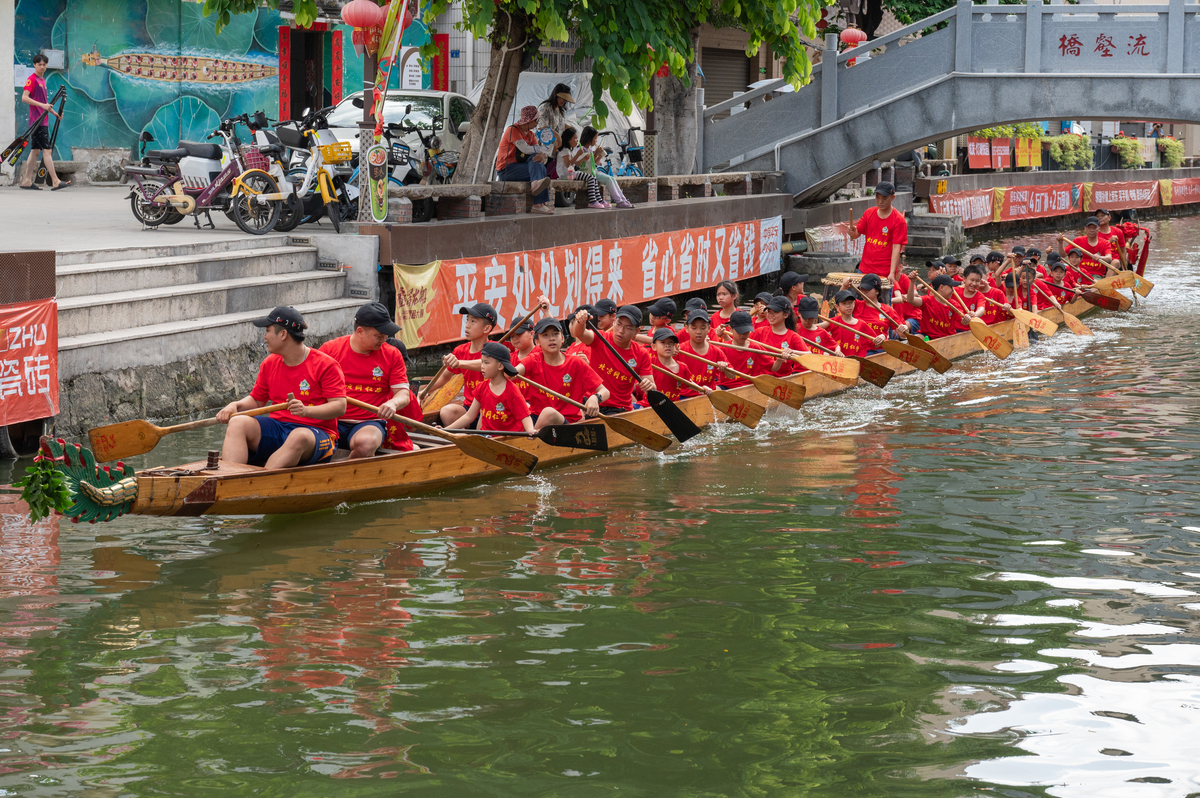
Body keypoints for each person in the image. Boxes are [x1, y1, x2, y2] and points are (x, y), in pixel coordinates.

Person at [217, 306, 347, 468]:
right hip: (279, 427)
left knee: (298, 436)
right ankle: (230, 477)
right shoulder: (269, 363)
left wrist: (306, 411)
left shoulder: (326, 365)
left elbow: (340, 406)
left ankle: (263, 478)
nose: (264, 336)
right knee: (237, 422)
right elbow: (257, 401)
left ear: (283, 334)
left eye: (268, 331)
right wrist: (235, 406)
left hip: (317, 433)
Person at [318, 302, 411, 459]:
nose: (384, 339)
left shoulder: (392, 355)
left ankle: (346, 472)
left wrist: (393, 403)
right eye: (379, 336)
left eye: (385, 335)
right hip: (330, 419)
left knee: (366, 444)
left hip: (369, 422)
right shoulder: (329, 350)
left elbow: (403, 394)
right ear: (360, 331)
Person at [516, 318, 609, 428]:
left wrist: (595, 398)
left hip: (568, 421)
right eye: (545, 335)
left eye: (555, 334)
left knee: (549, 413)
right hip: (537, 418)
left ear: (562, 339)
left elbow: (605, 391)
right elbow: (511, 373)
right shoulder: (533, 360)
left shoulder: (576, 362)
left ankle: (530, 438)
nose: (551, 338)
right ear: (537, 342)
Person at [569, 304, 655, 413]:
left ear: (637, 331)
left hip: (618, 408)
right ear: (614, 321)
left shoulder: (641, 353)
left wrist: (649, 386)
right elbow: (579, 333)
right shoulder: (600, 338)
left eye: (628, 328)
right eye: (618, 324)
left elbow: (652, 389)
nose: (621, 331)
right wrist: (580, 322)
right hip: (591, 400)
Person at [426, 302, 500, 427]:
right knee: (447, 412)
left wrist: (460, 363)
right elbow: (444, 376)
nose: (467, 325)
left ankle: (469, 434)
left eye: (473, 321)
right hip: (469, 409)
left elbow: (486, 364)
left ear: (487, 329)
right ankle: (462, 434)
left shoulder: (497, 349)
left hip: (492, 410)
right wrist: (425, 392)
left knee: (484, 414)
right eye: (467, 320)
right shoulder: (460, 351)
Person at [445, 342, 536, 434]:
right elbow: (469, 416)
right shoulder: (481, 387)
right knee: (460, 435)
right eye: (482, 362)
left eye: (486, 363)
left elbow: (525, 416)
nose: (482, 366)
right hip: (486, 436)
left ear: (500, 366)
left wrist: (530, 430)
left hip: (506, 438)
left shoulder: (512, 390)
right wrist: (445, 430)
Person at [19, 54, 69, 191]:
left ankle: (26, 181)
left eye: (44, 64)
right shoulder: (32, 79)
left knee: (35, 151)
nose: (42, 67)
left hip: (42, 120)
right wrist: (42, 105)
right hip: (38, 122)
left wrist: (55, 113)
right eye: (39, 64)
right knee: (47, 150)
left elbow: (44, 103)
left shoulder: (42, 80)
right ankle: (55, 181)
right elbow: (24, 98)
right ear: (34, 65)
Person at [495, 105, 553, 215]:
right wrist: (544, 150)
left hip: (521, 168)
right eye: (536, 120)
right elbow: (525, 149)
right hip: (506, 170)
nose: (537, 123)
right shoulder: (512, 130)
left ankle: (536, 186)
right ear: (529, 120)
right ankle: (538, 204)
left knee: (539, 163)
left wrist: (543, 156)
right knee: (541, 169)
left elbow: (538, 154)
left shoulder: (530, 134)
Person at [848, 181, 907, 284]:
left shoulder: (899, 220)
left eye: (884, 198)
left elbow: (896, 248)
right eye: (877, 197)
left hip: (884, 273)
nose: (880, 201)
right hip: (865, 269)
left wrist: (892, 273)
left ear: (892, 198)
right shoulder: (869, 213)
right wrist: (851, 231)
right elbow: (857, 233)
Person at [749, 296, 808, 376]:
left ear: (785, 315)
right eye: (769, 312)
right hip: (762, 377)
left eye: (775, 312)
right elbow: (744, 345)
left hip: (784, 378)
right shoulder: (759, 332)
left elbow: (809, 355)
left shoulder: (793, 336)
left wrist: (792, 351)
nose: (771, 315)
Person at [577, 127, 635, 208]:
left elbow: (593, 163)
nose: (596, 141)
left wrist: (599, 156)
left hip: (593, 171)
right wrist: (596, 154)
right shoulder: (581, 149)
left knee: (612, 178)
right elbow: (586, 162)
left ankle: (623, 199)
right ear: (589, 138)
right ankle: (619, 201)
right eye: (595, 138)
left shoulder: (589, 148)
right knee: (608, 179)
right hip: (587, 173)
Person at [677, 309, 733, 392]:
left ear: (709, 329)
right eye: (694, 328)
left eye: (703, 328)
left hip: (708, 394)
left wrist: (725, 368)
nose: (698, 332)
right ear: (687, 329)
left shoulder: (716, 351)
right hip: (684, 396)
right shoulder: (680, 351)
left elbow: (732, 375)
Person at [903, 273, 969, 339]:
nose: (953, 290)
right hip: (927, 335)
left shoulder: (954, 304)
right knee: (916, 338)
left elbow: (963, 322)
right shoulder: (927, 300)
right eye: (951, 287)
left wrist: (966, 319)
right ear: (941, 287)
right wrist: (912, 282)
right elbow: (911, 300)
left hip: (947, 337)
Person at [556, 126, 608, 209]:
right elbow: (568, 164)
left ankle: (599, 200)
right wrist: (578, 154)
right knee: (591, 178)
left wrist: (583, 159)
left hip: (571, 173)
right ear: (569, 140)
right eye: (575, 138)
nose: (577, 140)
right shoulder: (565, 151)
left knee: (593, 178)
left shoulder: (569, 150)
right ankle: (593, 201)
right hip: (566, 175)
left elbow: (575, 163)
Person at [841, 274, 903, 340]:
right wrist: (844, 285)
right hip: (859, 345)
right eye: (862, 288)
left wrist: (904, 328)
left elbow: (902, 334)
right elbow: (841, 299)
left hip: (880, 345)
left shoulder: (888, 310)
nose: (864, 291)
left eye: (867, 289)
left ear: (877, 291)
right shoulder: (856, 305)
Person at [826, 289, 884, 356]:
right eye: (844, 303)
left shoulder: (862, 324)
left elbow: (875, 344)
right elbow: (816, 328)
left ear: (854, 304)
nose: (848, 306)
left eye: (850, 303)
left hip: (857, 361)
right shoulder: (834, 322)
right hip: (838, 360)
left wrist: (881, 337)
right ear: (837, 307)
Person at [713, 311, 758, 388]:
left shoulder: (755, 348)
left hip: (749, 387)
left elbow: (773, 367)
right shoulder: (722, 348)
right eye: (740, 332)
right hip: (726, 386)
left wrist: (779, 359)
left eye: (746, 331)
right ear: (730, 329)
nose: (743, 335)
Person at [537, 83, 574, 177]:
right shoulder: (546, 107)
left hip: (556, 151)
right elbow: (541, 127)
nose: (564, 101)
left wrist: (571, 129)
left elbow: (560, 125)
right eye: (562, 98)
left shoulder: (561, 111)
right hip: (544, 150)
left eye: (565, 99)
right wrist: (556, 135)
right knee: (542, 176)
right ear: (556, 95)